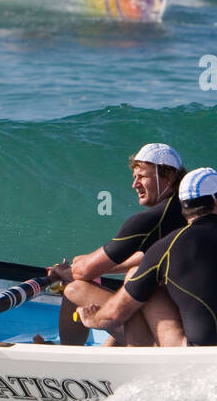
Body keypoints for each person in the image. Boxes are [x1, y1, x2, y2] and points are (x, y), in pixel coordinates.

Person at [77, 168, 217, 347]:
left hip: (195, 357)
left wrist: (91, 318)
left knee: (139, 281)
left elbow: (115, 315)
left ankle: (140, 353)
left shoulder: (166, 246)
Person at [47, 143, 187, 345]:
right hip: (179, 318)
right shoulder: (185, 209)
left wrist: (66, 271)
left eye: (143, 177)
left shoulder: (151, 219)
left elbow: (82, 273)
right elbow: (149, 257)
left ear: (169, 176)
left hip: (160, 333)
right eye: (134, 178)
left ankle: (67, 357)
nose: (135, 184)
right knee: (131, 293)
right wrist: (99, 267)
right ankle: (103, 355)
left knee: (74, 289)